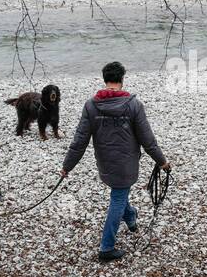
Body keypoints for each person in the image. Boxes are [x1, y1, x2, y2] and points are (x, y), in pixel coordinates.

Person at [61, 61, 171, 262]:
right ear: (122, 80)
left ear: (105, 80)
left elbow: (80, 140)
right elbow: (148, 139)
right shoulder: (133, 105)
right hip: (127, 163)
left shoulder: (91, 105)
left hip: (105, 162)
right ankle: (106, 247)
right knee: (118, 198)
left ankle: (130, 218)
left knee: (120, 192)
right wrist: (162, 162)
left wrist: (67, 166)